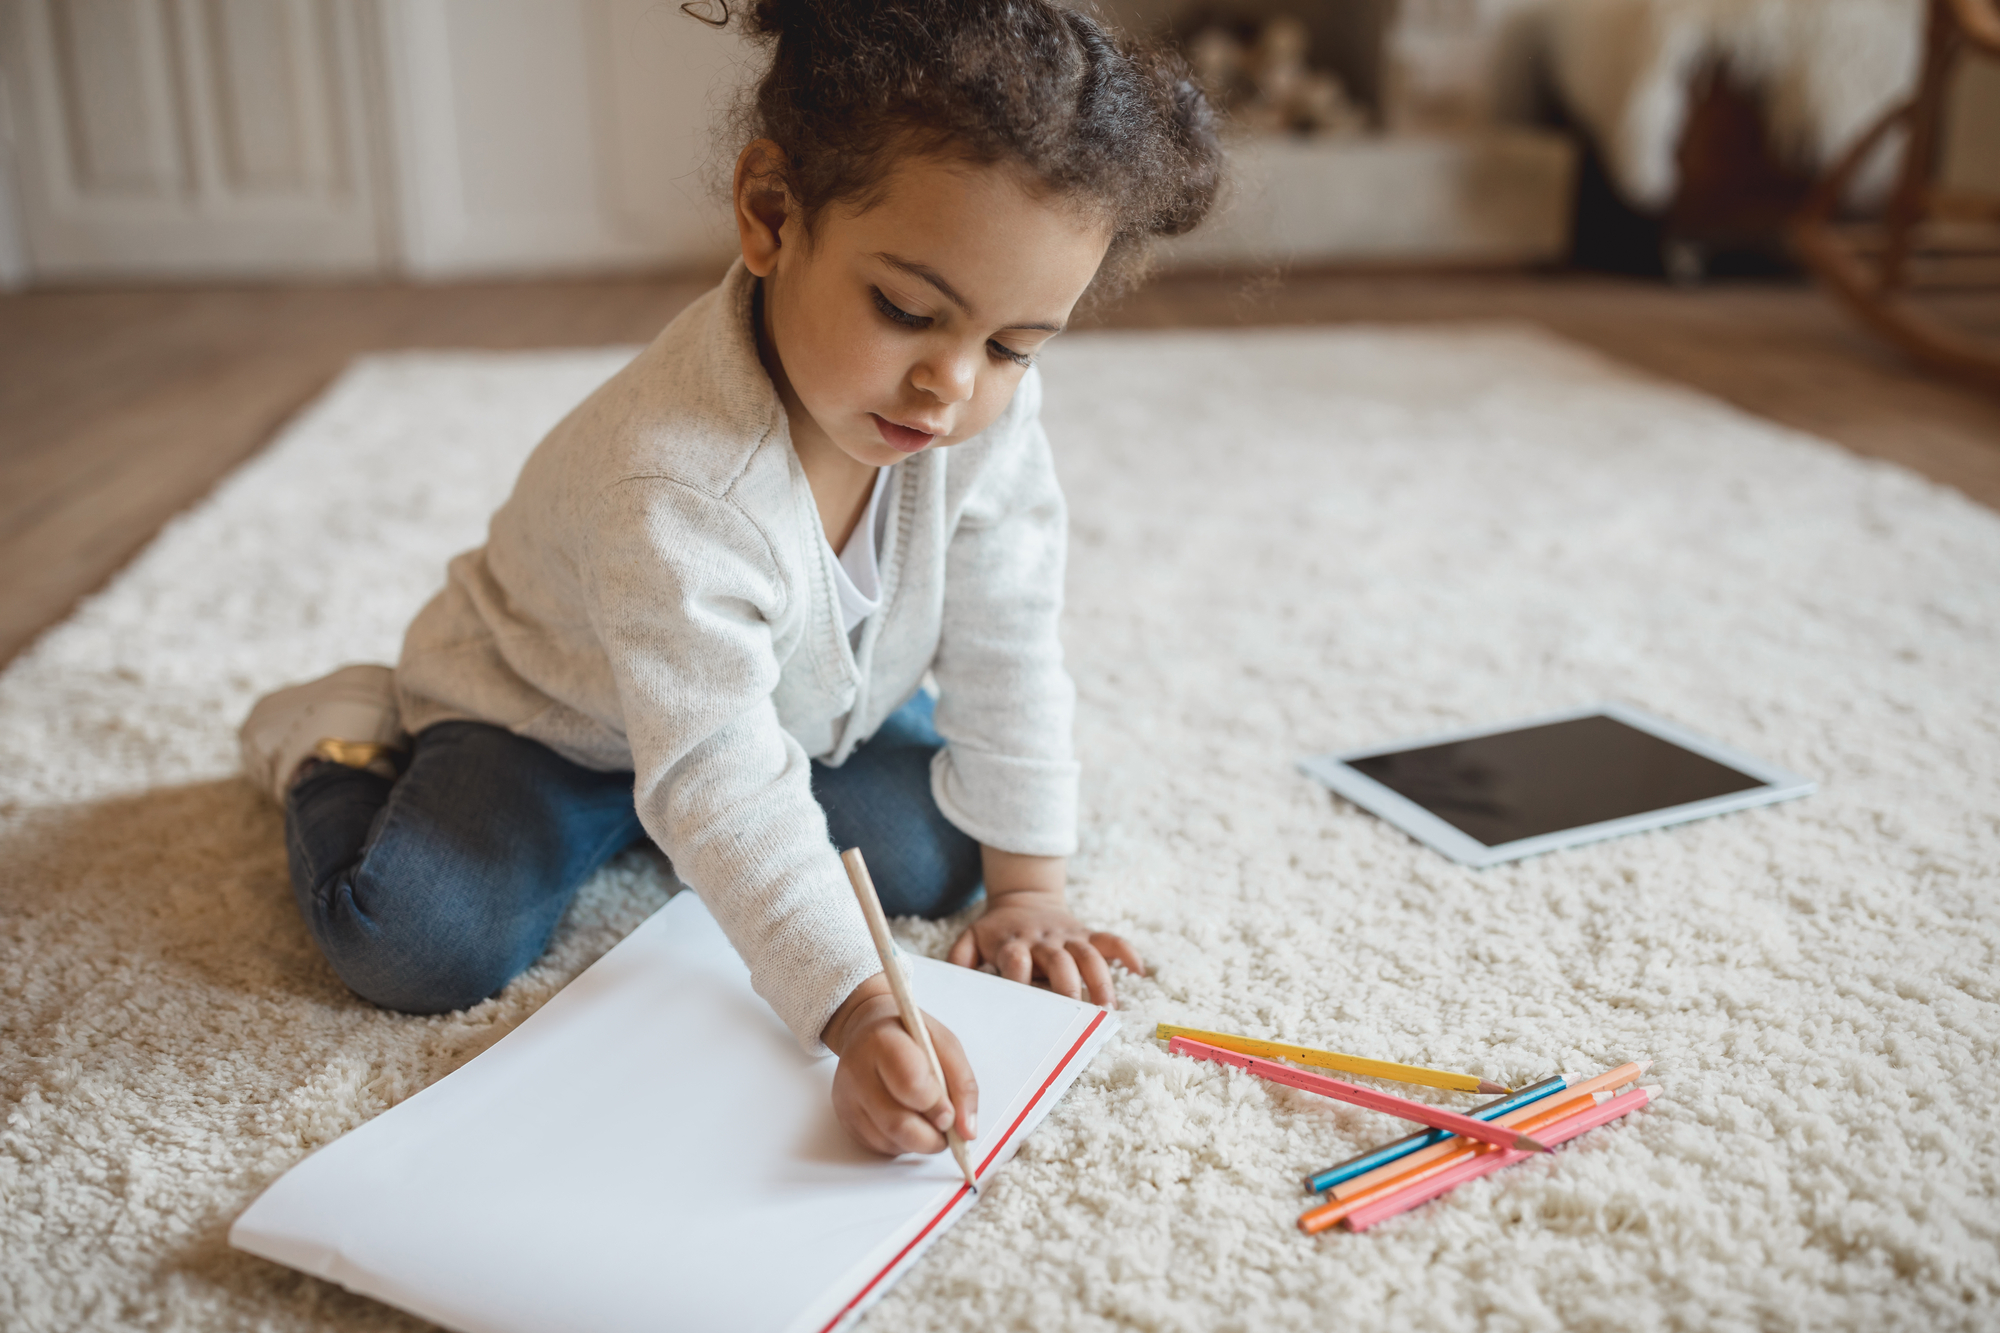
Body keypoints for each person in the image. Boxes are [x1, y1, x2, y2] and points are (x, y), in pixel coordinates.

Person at [239, 0, 1222, 1162]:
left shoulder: (980, 429)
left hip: (774, 713)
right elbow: (713, 771)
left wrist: (1031, 891)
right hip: (548, 725)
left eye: (1012, 347)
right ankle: (335, 739)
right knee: (417, 943)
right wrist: (852, 1006)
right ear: (769, 214)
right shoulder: (671, 480)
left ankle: (701, 851)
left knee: (944, 851)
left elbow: (1009, 635)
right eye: (907, 311)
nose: (950, 386)